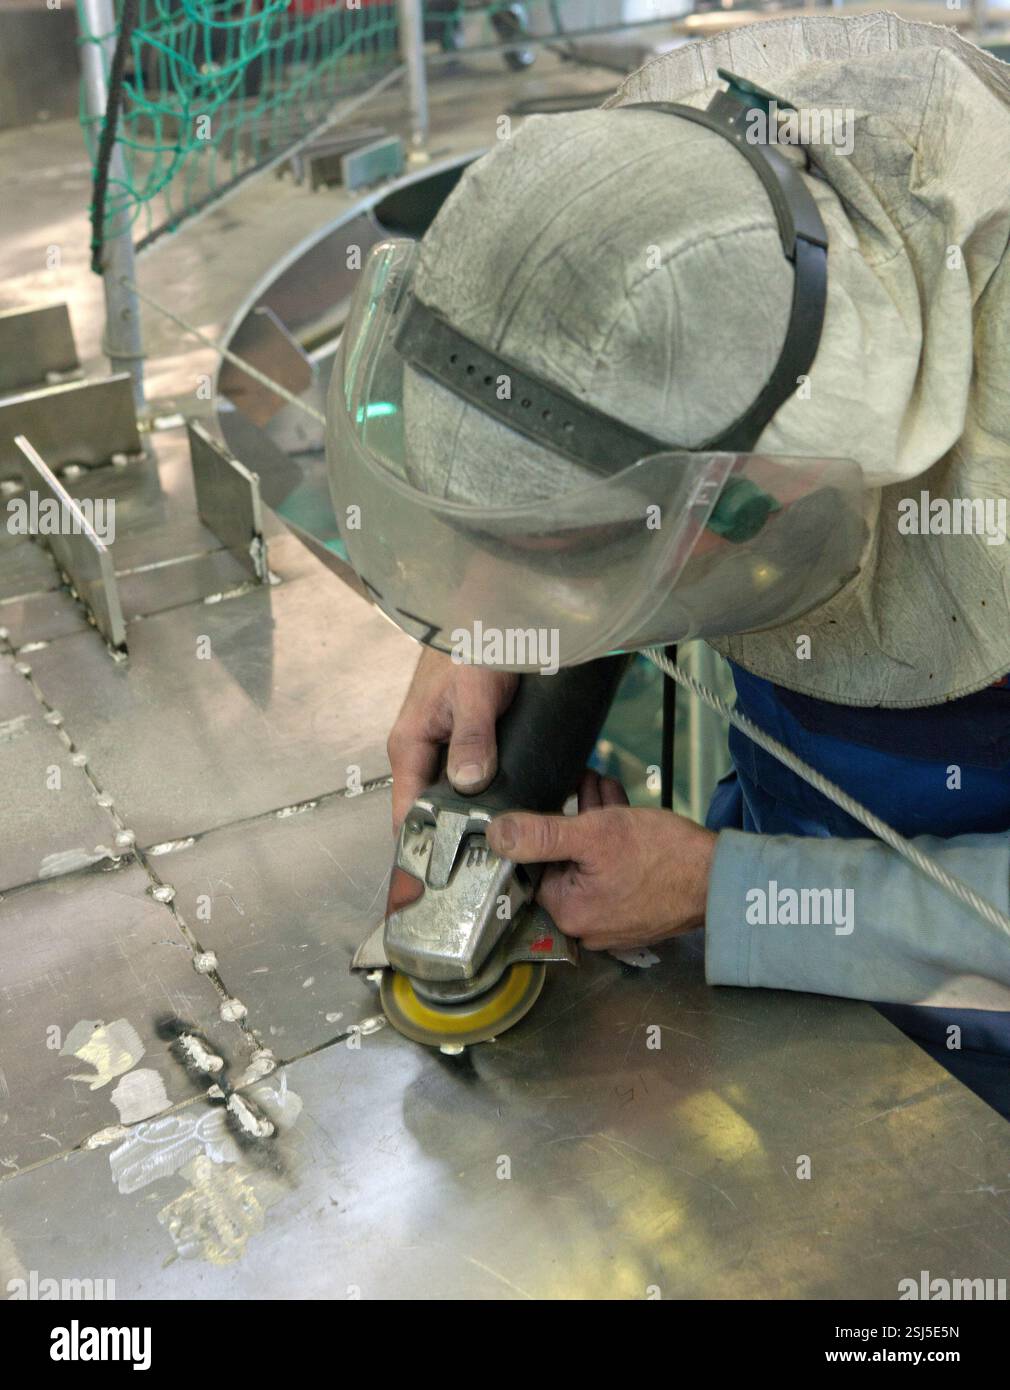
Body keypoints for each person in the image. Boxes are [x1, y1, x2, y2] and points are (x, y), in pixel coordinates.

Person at [347, 12, 1010, 1113]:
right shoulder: (685, 190)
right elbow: (599, 389)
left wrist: (732, 890)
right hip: (782, 927)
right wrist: (498, 610)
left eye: (587, 553)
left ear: (771, 479)